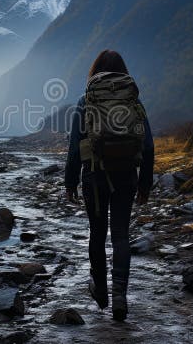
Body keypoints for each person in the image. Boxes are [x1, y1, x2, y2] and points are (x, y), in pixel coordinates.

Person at [64, 49, 154, 321]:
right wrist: (145, 183)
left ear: (95, 71)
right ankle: (120, 299)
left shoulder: (85, 101)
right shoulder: (134, 102)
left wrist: (70, 181)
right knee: (121, 236)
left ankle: (100, 291)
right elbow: (148, 146)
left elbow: (75, 148)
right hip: (126, 175)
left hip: (94, 176)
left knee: (97, 234)